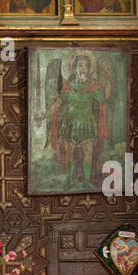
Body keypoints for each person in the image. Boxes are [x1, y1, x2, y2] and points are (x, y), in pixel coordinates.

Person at [49, 52, 109, 186]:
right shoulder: (68, 85)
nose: (82, 68)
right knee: (69, 150)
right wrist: (47, 112)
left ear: (89, 69)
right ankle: (69, 180)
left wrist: (104, 85)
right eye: (80, 65)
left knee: (88, 150)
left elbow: (102, 100)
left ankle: (87, 180)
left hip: (87, 122)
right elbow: (60, 101)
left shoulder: (94, 86)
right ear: (74, 67)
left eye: (86, 66)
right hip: (70, 122)